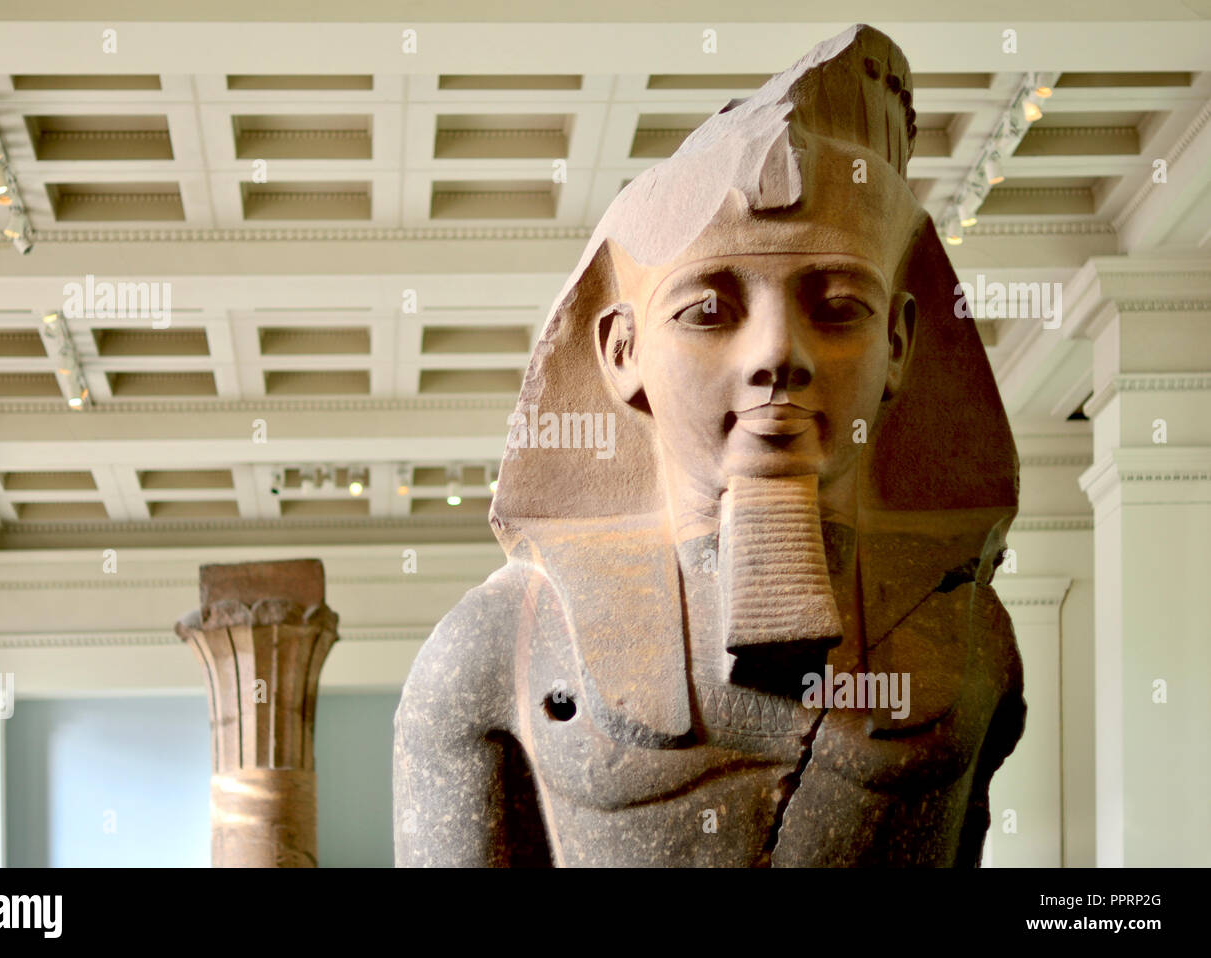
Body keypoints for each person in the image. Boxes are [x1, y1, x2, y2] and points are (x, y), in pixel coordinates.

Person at [393, 23, 1025, 867]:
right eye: (709, 311)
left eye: (837, 307)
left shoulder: (975, 639)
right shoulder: (495, 647)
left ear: (901, 344)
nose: (777, 356)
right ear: (621, 352)